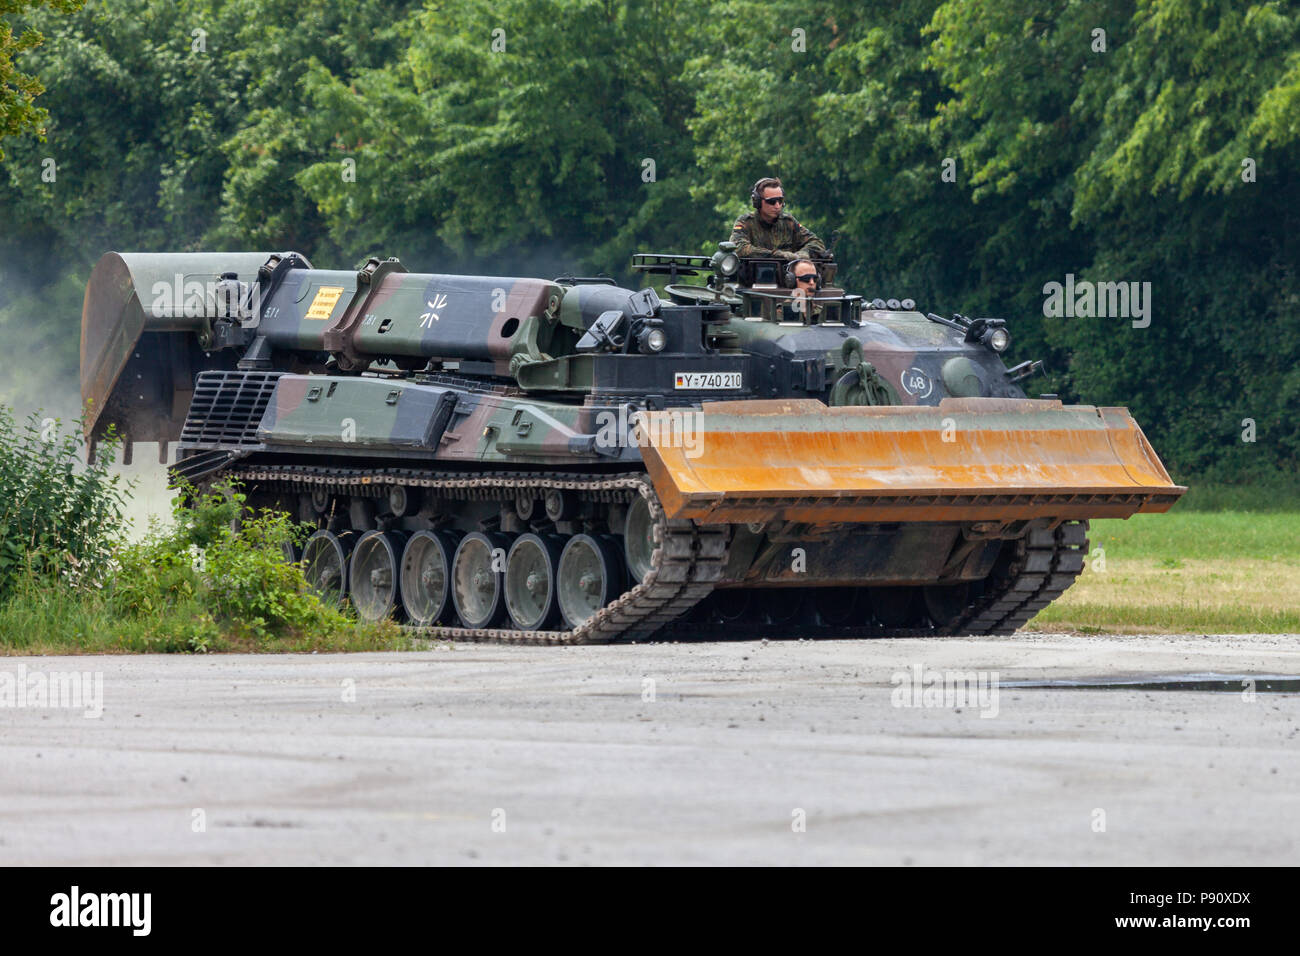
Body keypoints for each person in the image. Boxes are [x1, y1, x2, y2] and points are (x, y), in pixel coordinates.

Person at [728, 177, 828, 262]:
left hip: (789, 277)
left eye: (780, 201)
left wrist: (802, 254)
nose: (777, 206)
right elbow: (739, 248)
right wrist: (777, 254)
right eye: (771, 201)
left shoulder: (788, 221)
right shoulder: (746, 222)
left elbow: (816, 243)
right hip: (754, 278)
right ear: (757, 202)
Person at [780, 258, 824, 322]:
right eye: (806, 278)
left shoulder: (821, 312)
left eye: (815, 279)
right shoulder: (781, 312)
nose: (812, 283)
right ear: (792, 281)